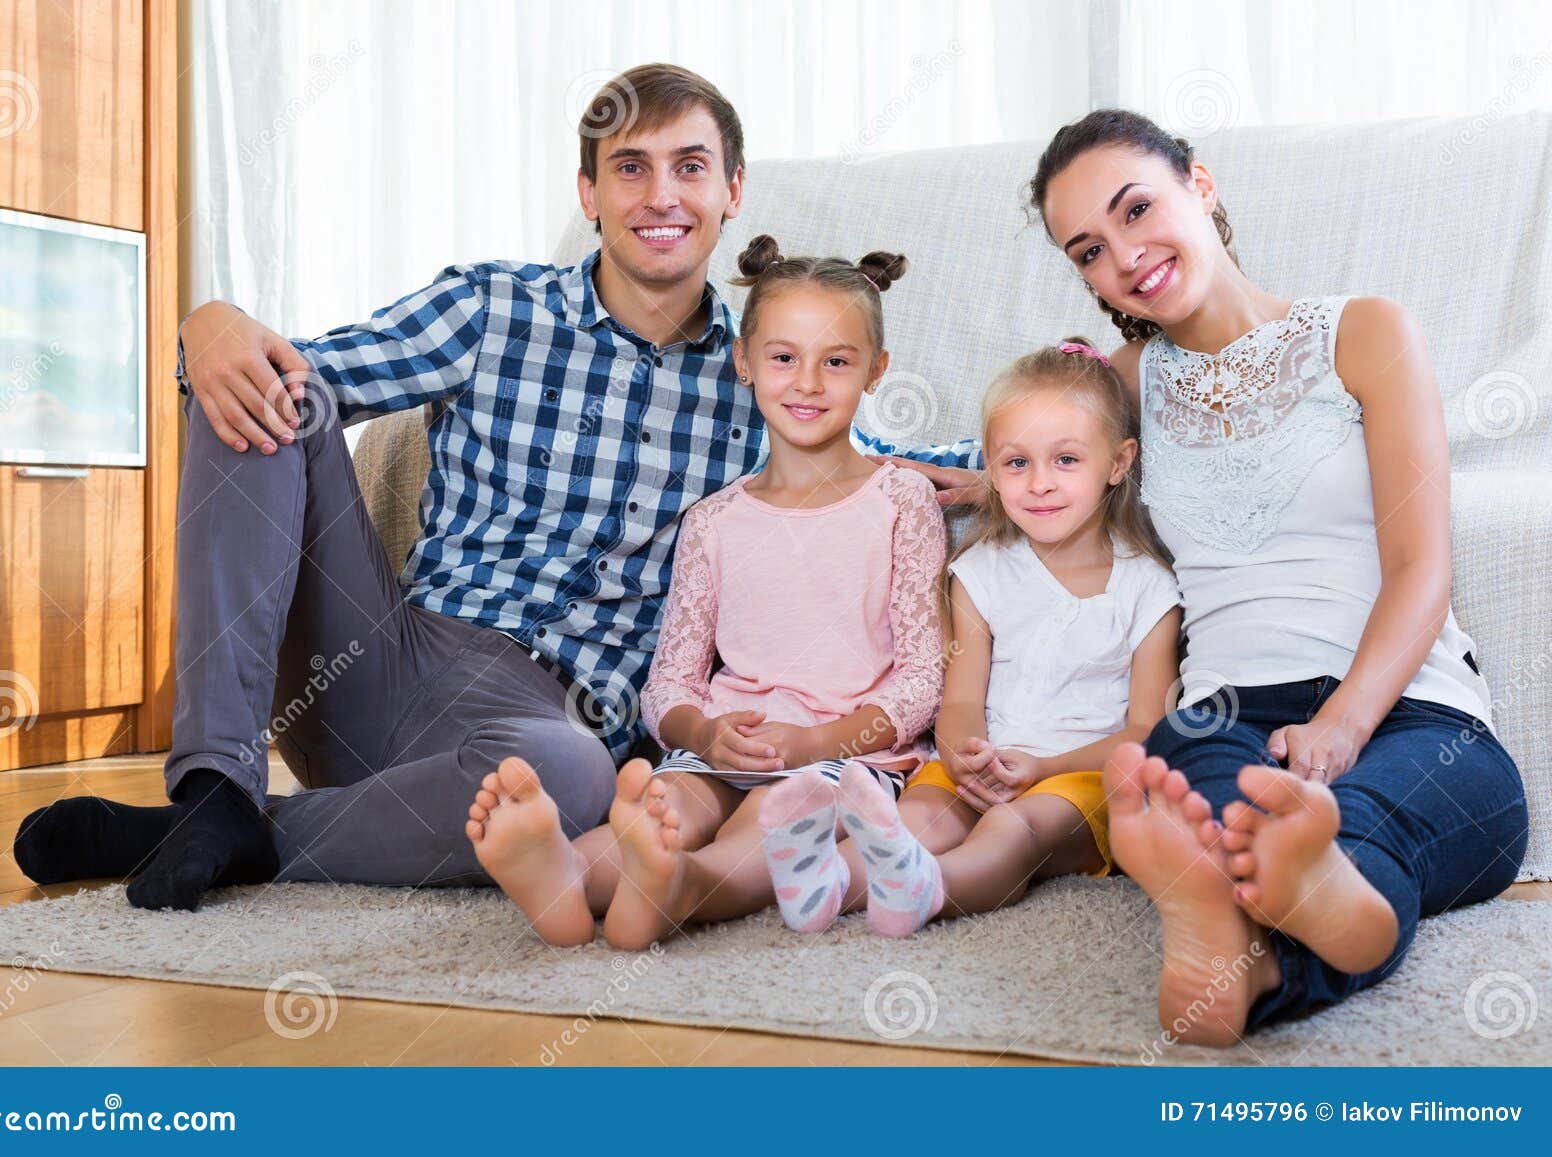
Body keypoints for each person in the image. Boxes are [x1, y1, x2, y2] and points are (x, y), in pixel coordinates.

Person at [12, 64, 981, 911]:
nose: (661, 195)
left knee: (574, 773)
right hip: (384, 663)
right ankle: (214, 788)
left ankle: (252, 838)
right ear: (588, 191)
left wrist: (1037, 449)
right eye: (630, 167)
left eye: (689, 167)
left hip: (545, 726)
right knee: (268, 396)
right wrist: (211, 323)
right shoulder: (492, 307)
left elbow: (906, 459)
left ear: (731, 190)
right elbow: (285, 368)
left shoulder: (767, 373)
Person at [1030, 108, 1528, 1043]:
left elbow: (1422, 565)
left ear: (1200, 185)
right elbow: (1032, 454)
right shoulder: (1121, 387)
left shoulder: (1365, 331)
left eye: (1137, 209)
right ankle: (1273, 935)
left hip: (1413, 712)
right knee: (1206, 789)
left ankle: (1264, 935)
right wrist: (955, 476)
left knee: (1382, 814)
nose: (1125, 257)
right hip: (1226, 715)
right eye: (1089, 250)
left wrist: (1342, 727)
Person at [467, 234, 945, 949]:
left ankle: (680, 886)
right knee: (667, 804)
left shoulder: (902, 499)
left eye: (836, 362)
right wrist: (704, 734)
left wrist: (815, 741)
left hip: (844, 755)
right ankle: (565, 874)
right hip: (724, 744)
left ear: (876, 371)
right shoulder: (714, 520)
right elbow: (670, 684)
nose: (808, 383)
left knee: (769, 824)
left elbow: (922, 679)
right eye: (783, 358)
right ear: (744, 362)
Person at [785, 337, 1181, 938]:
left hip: (1080, 780)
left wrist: (1044, 765)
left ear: (1119, 463)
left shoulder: (1148, 588)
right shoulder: (980, 570)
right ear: (990, 470)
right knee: (924, 812)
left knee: (1012, 829)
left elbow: (1146, 732)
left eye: (1066, 460)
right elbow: (963, 698)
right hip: (985, 761)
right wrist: (965, 755)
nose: (1039, 484)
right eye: (1017, 463)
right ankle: (827, 882)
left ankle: (929, 890)